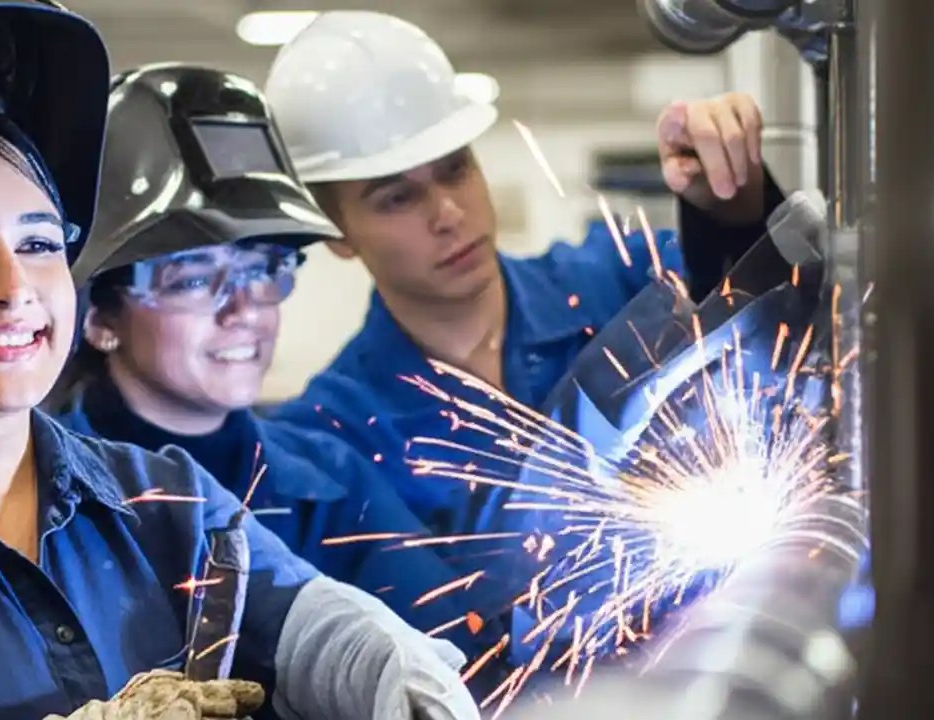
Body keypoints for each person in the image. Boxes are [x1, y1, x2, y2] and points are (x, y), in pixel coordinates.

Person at [0, 4, 482, 720]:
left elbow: (307, 626)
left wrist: (397, 672)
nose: (9, 286)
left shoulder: (165, 500)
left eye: (38, 243)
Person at [261, 11, 790, 668]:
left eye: (455, 170)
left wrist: (729, 206)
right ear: (335, 230)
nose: (448, 215)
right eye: (397, 198)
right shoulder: (334, 439)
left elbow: (774, 323)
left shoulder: (618, 282)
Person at [52, 64, 506, 674]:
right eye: (191, 279)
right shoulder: (40, 503)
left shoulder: (331, 482)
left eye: (261, 269)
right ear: (96, 315)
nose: (244, 310)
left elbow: (469, 651)